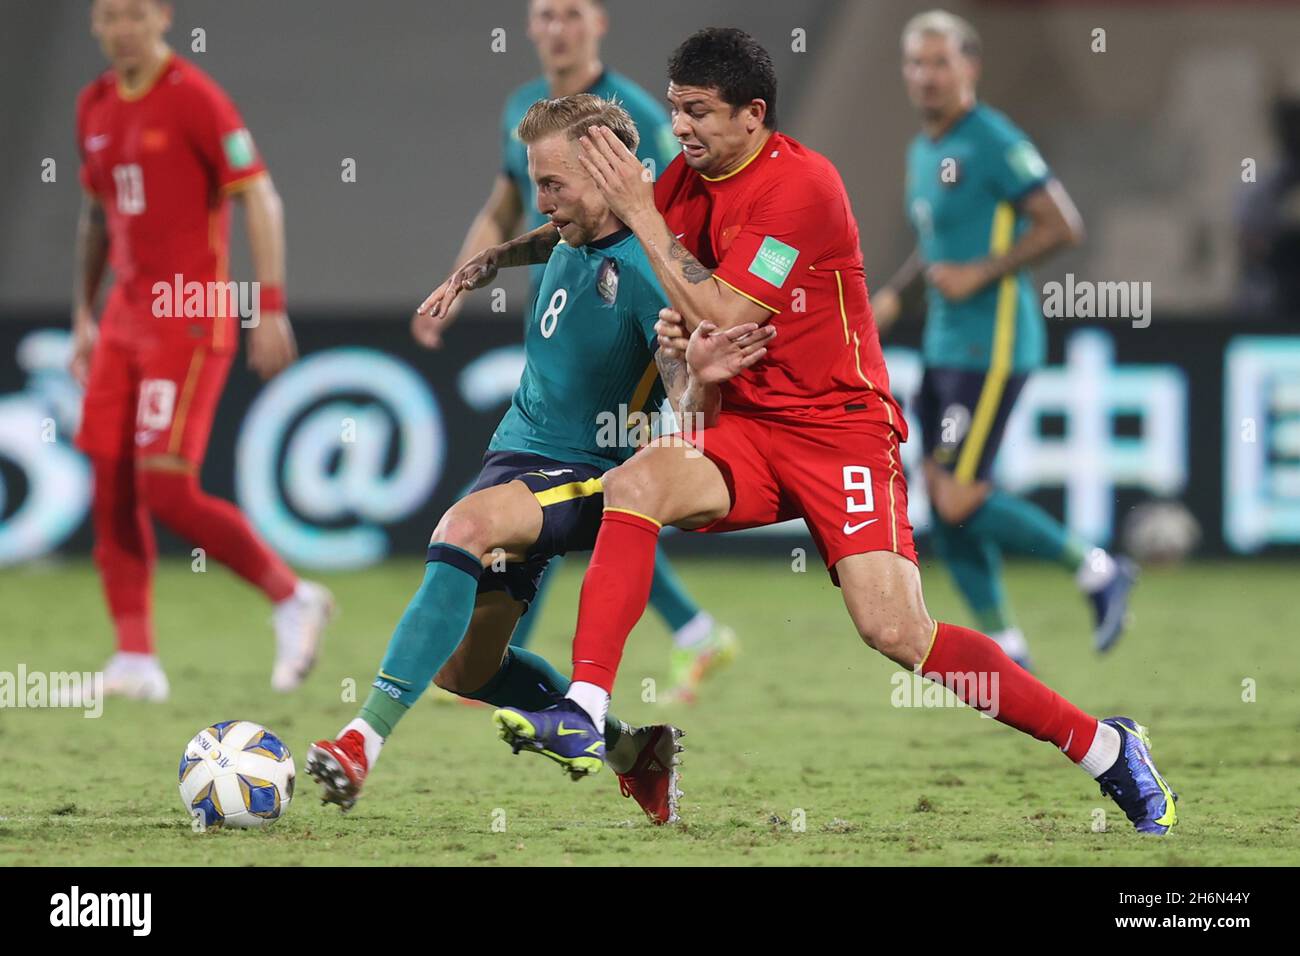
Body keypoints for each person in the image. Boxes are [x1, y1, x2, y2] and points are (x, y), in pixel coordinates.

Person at [423, 28, 1179, 836]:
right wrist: (498, 258)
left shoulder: (803, 187)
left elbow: (724, 310)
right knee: (635, 482)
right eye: (676, 109)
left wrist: (653, 227)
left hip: (840, 431)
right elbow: (595, 228)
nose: (681, 129)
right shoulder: (684, 179)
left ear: (754, 115)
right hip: (750, 426)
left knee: (896, 632)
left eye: (700, 113)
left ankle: (1105, 748)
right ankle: (586, 704)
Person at [308, 95, 773, 824]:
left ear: (610, 176)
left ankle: (360, 741)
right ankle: (633, 753)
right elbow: (551, 235)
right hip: (514, 459)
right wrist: (492, 258)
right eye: (536, 181)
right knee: (469, 668)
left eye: (554, 183)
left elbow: (687, 409)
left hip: (589, 475)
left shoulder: (653, 274)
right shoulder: (569, 238)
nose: (542, 199)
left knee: (461, 527)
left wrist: (698, 375)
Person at [419, 0, 736, 703]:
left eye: (570, 13)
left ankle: (667, 641)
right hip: (566, 301)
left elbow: (660, 224)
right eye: (544, 14)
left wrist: (690, 322)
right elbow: (507, 207)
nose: (556, 26)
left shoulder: (638, 119)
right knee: (572, 494)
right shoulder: (524, 110)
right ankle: (688, 632)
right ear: (530, 27)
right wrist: (468, 273)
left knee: (579, 484)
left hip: (628, 329)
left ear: (598, 23)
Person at [72, 0, 331, 701]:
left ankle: (291, 595)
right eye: (108, 15)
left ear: (162, 16)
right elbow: (98, 216)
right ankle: (134, 659)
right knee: (109, 483)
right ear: (96, 24)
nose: (121, 27)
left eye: (134, 13)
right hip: (123, 320)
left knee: (164, 487)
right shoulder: (94, 104)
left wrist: (267, 306)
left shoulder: (194, 98)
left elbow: (260, 197)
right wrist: (82, 318)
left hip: (187, 316)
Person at [870, 10, 1135, 670]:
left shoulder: (993, 139)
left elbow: (1062, 224)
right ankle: (1008, 647)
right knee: (942, 497)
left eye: (941, 62)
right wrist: (898, 294)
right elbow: (937, 253)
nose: (928, 76)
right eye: (916, 63)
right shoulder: (922, 150)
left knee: (957, 494)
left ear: (970, 67)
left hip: (992, 343)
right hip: (943, 342)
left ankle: (1097, 567)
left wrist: (981, 273)